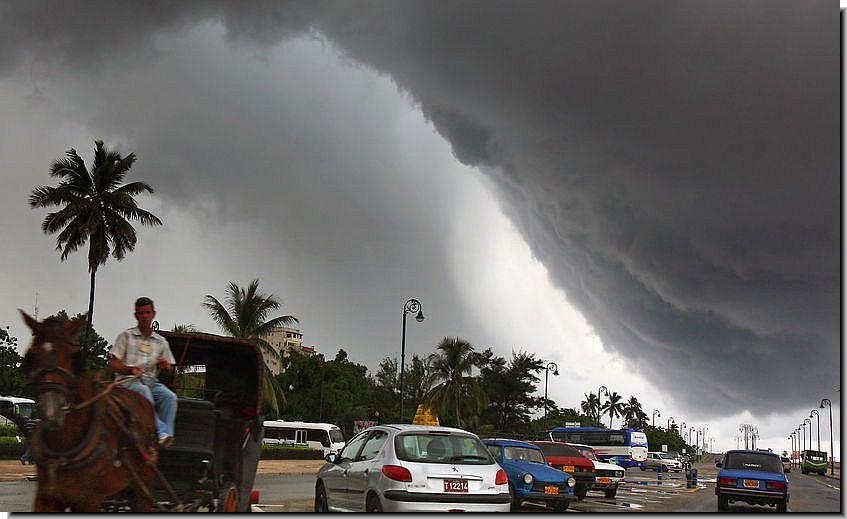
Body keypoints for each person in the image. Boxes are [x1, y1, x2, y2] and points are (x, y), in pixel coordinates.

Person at [110, 297, 178, 447]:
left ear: (153, 314)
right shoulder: (125, 336)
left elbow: (170, 370)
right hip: (126, 382)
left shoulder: (161, 342)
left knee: (170, 397)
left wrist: (165, 366)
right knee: (143, 391)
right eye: (141, 313)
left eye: (147, 312)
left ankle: (167, 437)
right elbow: (113, 365)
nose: (144, 316)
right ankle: (160, 433)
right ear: (135, 315)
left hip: (150, 382)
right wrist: (130, 369)